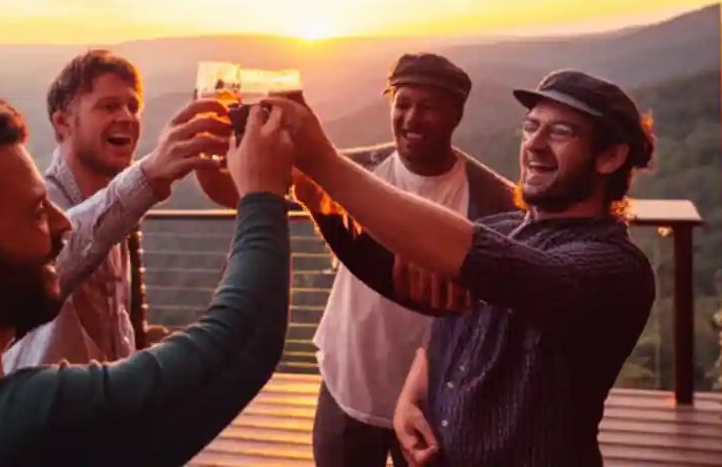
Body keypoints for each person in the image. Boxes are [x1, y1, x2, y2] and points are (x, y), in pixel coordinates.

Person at [0, 95, 297, 465]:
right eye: (35, 212)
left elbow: (18, 278)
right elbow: (237, 344)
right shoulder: (6, 431)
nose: (64, 225)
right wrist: (261, 195)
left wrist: (149, 174)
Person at [264, 69, 657, 466]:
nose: (534, 145)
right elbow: (446, 331)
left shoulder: (615, 270)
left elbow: (505, 268)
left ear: (610, 156)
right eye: (530, 128)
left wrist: (322, 163)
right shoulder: (497, 228)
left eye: (560, 133)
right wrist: (411, 397)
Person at [197, 53, 513, 467]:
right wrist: (208, 152)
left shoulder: (493, 200)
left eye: (429, 107)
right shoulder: (355, 172)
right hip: (348, 385)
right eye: (402, 103)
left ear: (456, 114)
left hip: (433, 403)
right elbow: (235, 193)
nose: (412, 118)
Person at [5, 49, 228, 371]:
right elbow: (58, 261)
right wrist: (147, 178)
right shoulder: (39, 207)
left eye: (133, 106)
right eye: (108, 106)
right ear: (62, 121)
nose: (126, 116)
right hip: (48, 416)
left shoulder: (115, 208)